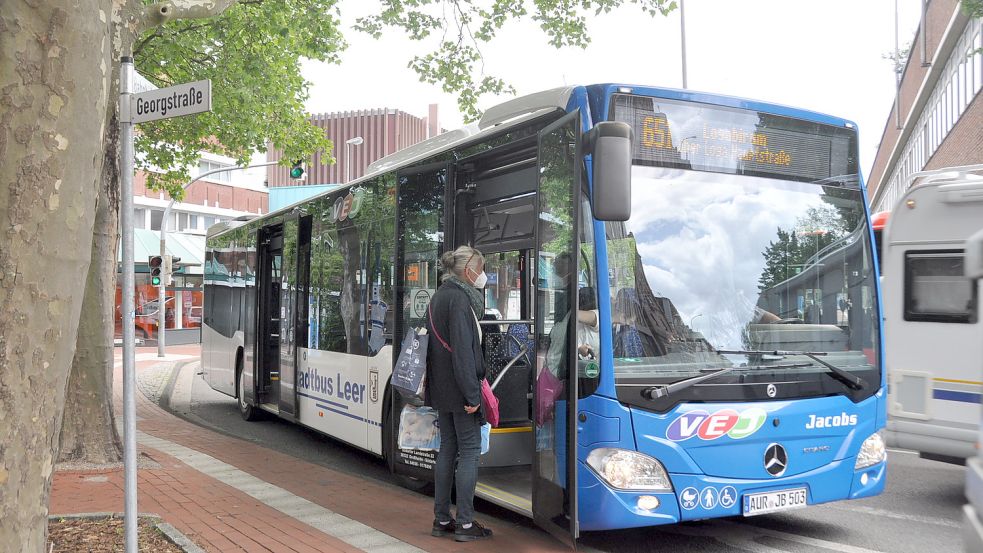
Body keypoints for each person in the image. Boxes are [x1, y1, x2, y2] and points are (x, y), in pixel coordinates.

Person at [425, 245, 494, 542]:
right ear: (468, 271)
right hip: (460, 390)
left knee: (447, 451)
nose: (482, 275)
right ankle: (465, 524)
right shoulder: (460, 301)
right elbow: (464, 354)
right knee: (470, 452)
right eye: (479, 269)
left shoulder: (438, 297)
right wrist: (472, 397)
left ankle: (441, 520)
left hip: (441, 389)